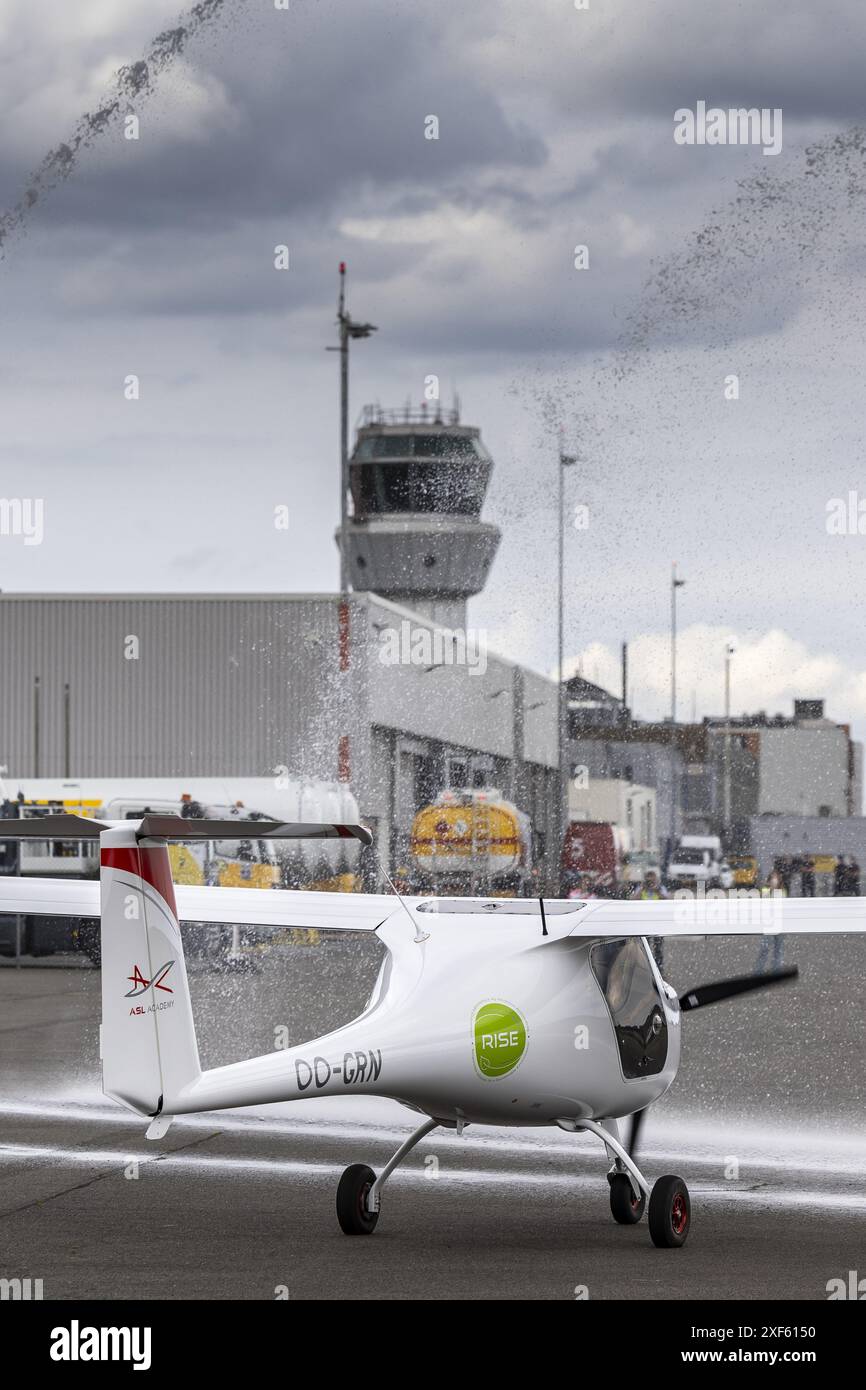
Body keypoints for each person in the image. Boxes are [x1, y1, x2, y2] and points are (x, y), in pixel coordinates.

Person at [755, 869, 785, 973]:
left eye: (776, 878)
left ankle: (776, 970)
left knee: (778, 949)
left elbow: (780, 902)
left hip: (779, 922)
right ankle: (758, 971)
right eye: (773, 878)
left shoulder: (782, 890)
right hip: (768, 923)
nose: (775, 880)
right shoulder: (765, 889)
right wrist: (770, 888)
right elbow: (765, 902)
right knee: (765, 948)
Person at [638, 871, 667, 970]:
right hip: (644, 922)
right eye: (648, 880)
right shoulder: (642, 888)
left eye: (652, 879)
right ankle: (644, 966)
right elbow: (632, 899)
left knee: (658, 947)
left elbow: (667, 900)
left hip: (657, 922)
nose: (650, 883)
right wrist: (642, 889)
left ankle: (659, 967)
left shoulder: (660, 888)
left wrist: (657, 891)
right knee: (644, 947)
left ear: (656, 879)